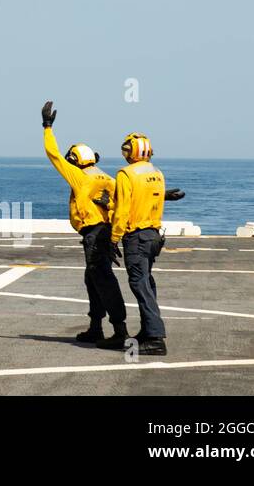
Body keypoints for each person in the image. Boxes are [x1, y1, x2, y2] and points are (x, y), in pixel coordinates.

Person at [40, 101, 127, 344]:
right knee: (93, 278)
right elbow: (127, 195)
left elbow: (53, 155)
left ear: (75, 160)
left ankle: (120, 331)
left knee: (102, 278)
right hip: (106, 232)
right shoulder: (105, 176)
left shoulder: (79, 176)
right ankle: (95, 327)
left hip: (94, 234)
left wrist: (47, 127)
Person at [100, 132, 168, 356]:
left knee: (140, 285)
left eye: (126, 150)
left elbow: (122, 210)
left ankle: (156, 339)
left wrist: (113, 238)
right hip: (154, 236)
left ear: (132, 151)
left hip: (136, 237)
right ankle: (148, 332)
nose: (124, 154)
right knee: (147, 282)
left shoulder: (126, 174)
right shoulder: (157, 173)